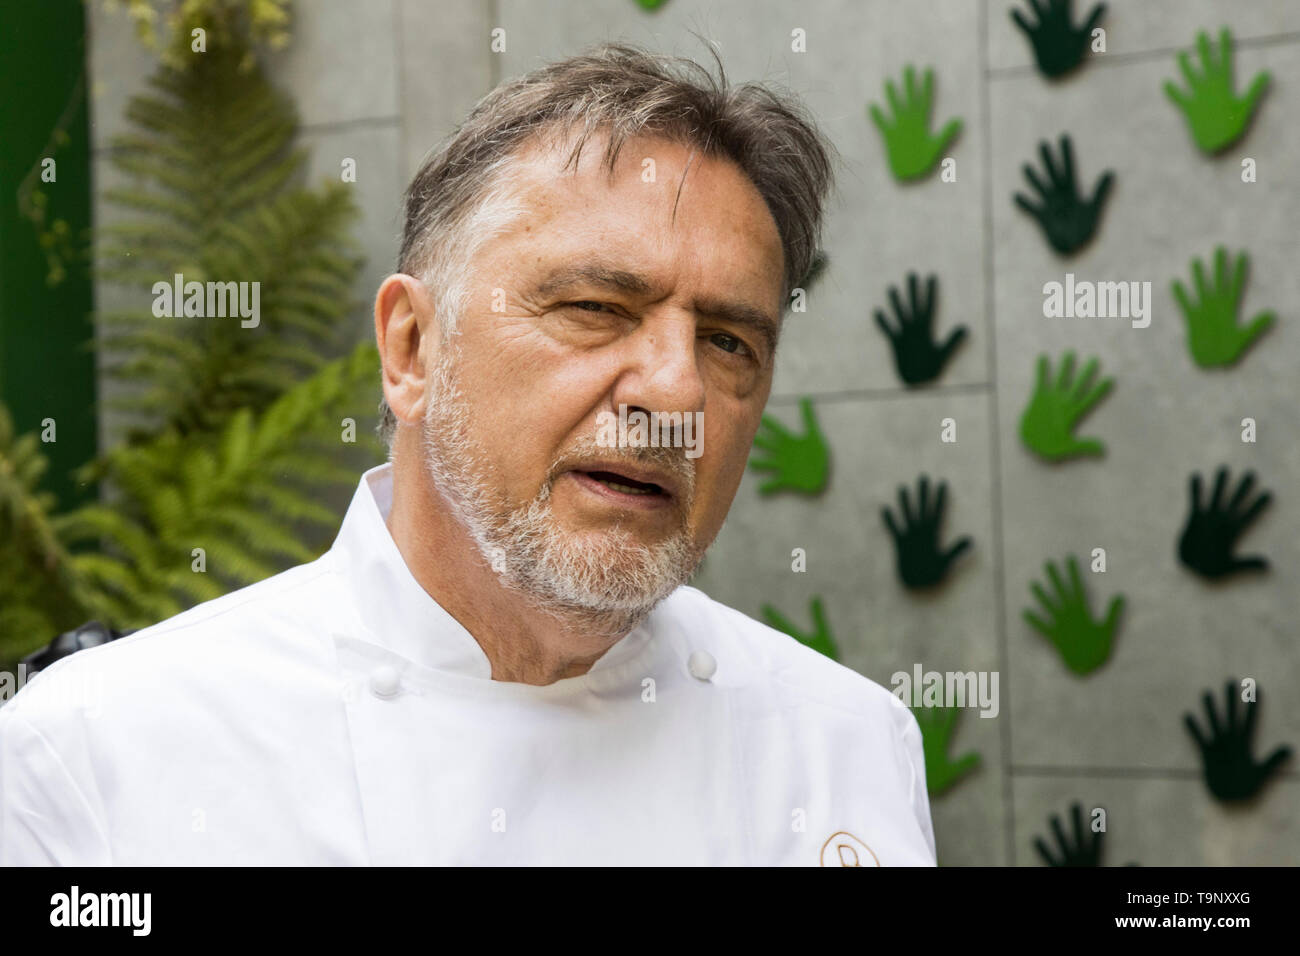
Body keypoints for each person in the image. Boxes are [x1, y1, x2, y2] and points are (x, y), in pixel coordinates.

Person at [0, 42, 936, 866]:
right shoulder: (94, 756)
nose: (675, 394)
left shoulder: (845, 744)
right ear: (412, 349)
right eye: (594, 308)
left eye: (729, 342)